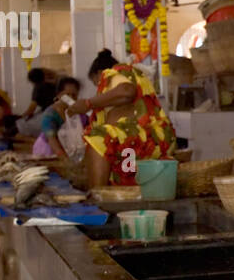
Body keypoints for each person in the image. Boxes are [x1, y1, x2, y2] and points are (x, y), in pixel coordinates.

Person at [65, 50, 177, 188]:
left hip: (141, 139)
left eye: (95, 82)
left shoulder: (116, 72)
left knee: (98, 139)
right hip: (154, 141)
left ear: (99, 74)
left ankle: (98, 198)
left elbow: (126, 92)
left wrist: (88, 103)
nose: (98, 87)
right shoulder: (135, 75)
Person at [32, 77, 82, 158]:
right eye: (67, 94)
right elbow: (51, 139)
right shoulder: (50, 114)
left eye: (74, 95)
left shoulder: (76, 112)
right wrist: (64, 158)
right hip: (47, 151)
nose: (71, 98)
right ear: (59, 95)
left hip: (66, 150)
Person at [15, 67, 58, 137]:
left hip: (48, 113)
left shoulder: (38, 87)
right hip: (55, 111)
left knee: (23, 126)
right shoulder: (53, 85)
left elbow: (32, 107)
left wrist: (21, 117)